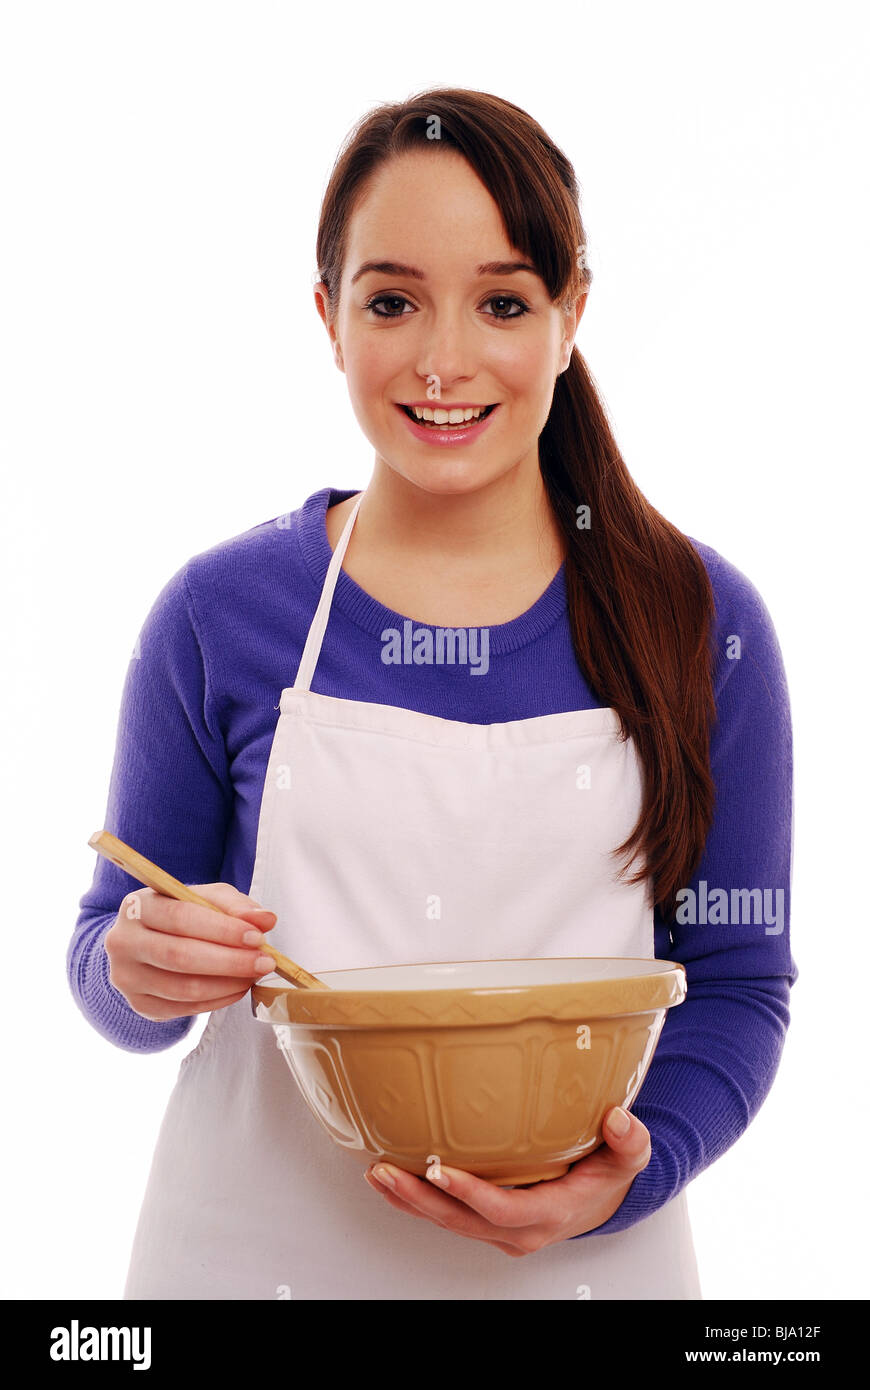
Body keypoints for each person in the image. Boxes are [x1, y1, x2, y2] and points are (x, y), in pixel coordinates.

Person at [69, 87, 796, 1300]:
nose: (444, 360)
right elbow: (111, 954)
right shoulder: (220, 614)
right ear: (329, 317)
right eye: (393, 300)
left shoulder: (703, 624)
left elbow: (737, 977)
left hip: (582, 1274)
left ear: (570, 317)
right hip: (250, 1264)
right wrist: (139, 970)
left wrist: (635, 1169)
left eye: (503, 302)